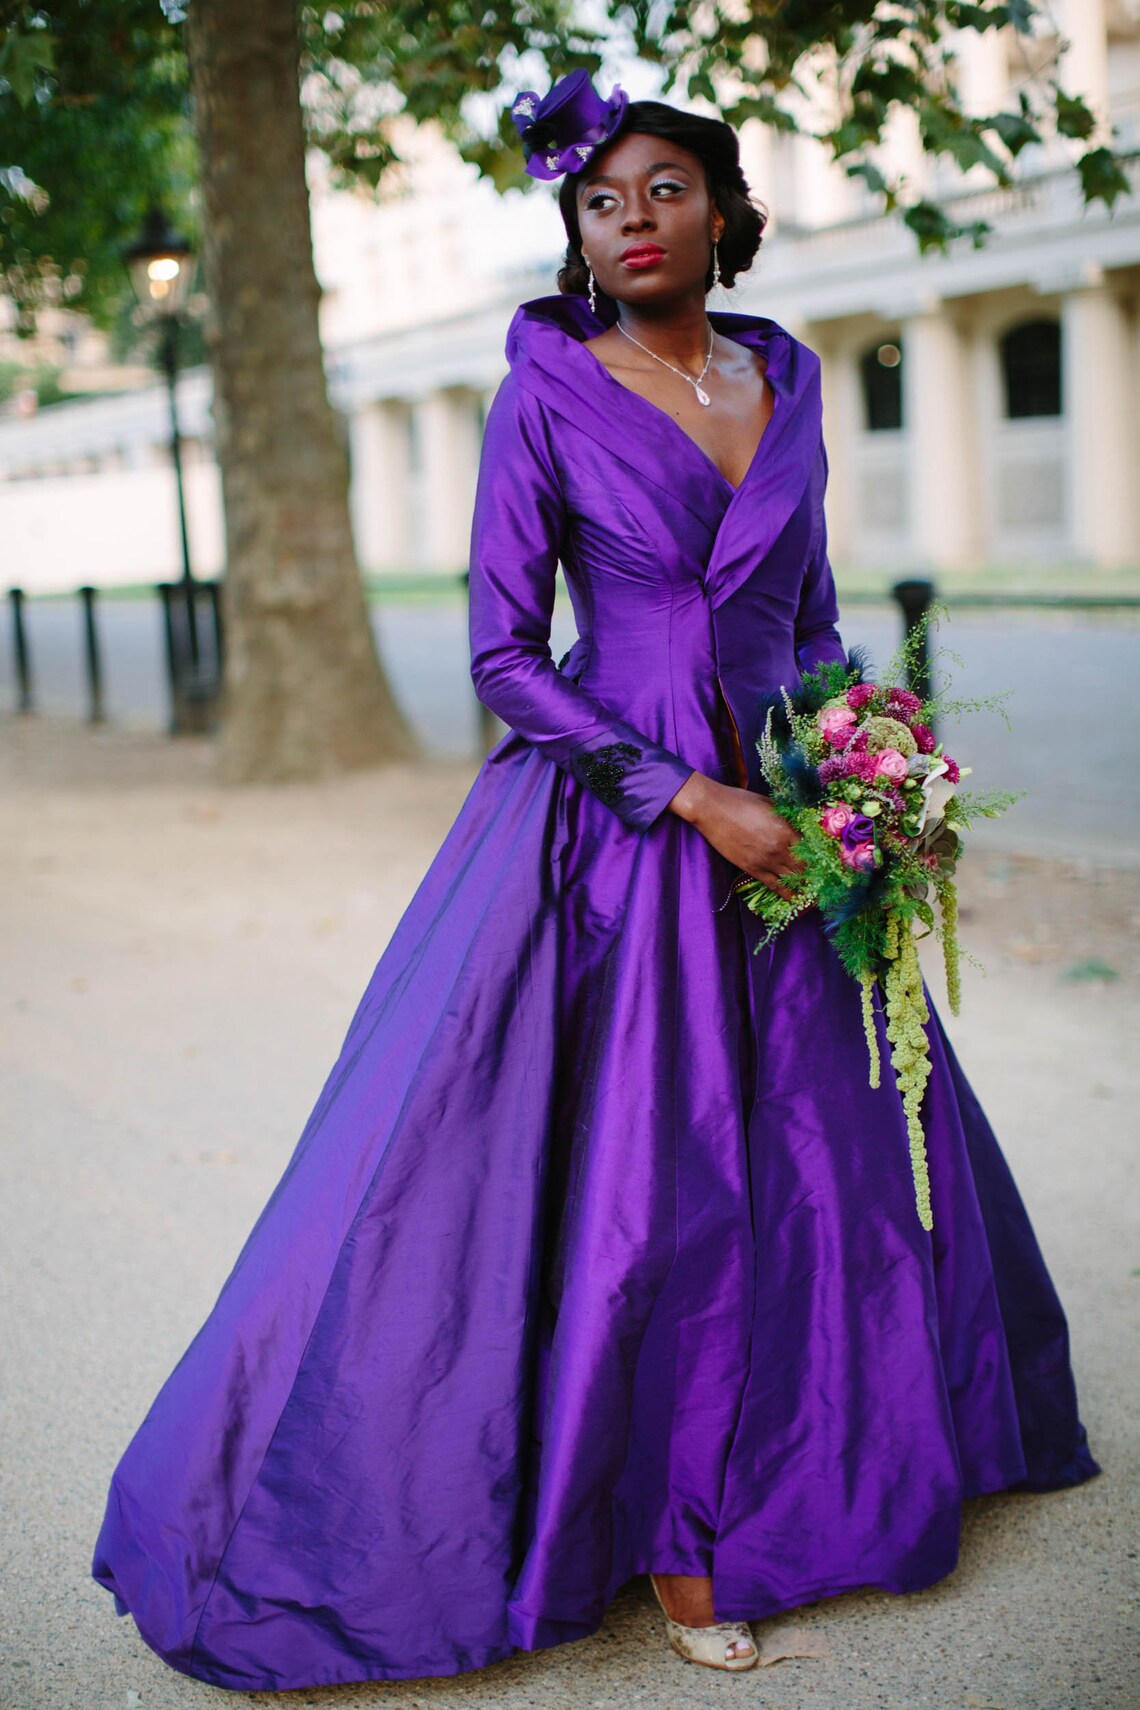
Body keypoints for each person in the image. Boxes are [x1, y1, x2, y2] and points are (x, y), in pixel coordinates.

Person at [92, 70, 1099, 1689]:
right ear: (574, 231)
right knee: (655, 1167)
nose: (630, 221)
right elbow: (502, 652)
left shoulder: (786, 374)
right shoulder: (546, 393)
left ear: (723, 209)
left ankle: (822, 1468)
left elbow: (820, 611)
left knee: (826, 1149)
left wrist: (865, 763)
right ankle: (679, 1536)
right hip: (619, 825)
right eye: (600, 202)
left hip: (792, 810)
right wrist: (691, 794)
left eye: (663, 192)